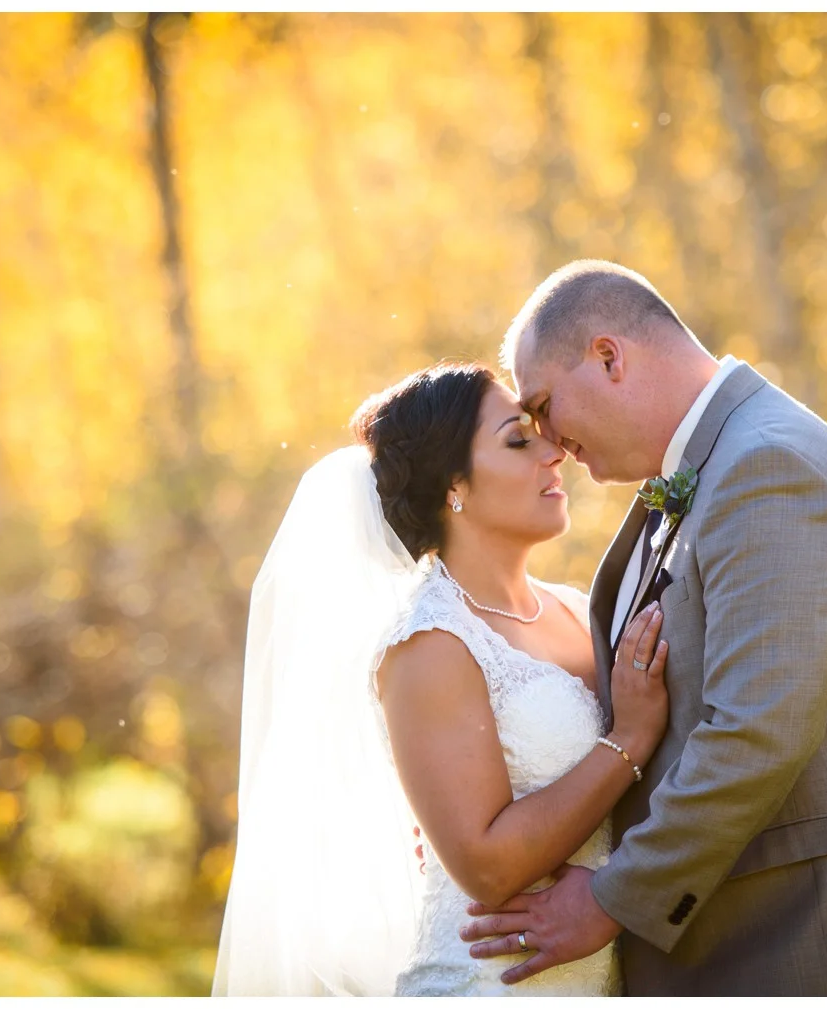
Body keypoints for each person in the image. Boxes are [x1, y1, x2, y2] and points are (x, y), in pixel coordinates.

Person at [459, 260, 827, 996]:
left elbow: (757, 732)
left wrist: (611, 898)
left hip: (801, 938)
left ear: (609, 357)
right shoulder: (715, 464)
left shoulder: (767, 467)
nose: (551, 440)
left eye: (544, 406)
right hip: (745, 932)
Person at [212, 362, 670, 995]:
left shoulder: (578, 608)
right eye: (519, 440)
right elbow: (487, 867)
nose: (555, 453)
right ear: (454, 485)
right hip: (488, 983)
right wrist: (628, 742)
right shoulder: (428, 644)